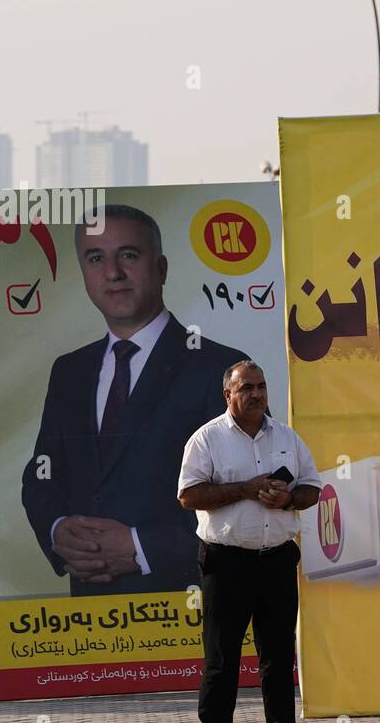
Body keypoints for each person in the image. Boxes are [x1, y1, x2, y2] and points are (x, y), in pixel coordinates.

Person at [21, 204, 249, 597]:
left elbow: (248, 494)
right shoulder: (69, 372)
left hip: (189, 608)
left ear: (160, 267)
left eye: (128, 254)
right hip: (90, 621)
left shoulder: (221, 368)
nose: (112, 272)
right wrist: (58, 529)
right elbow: (42, 475)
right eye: (96, 258)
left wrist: (142, 547)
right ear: (84, 274)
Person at [178, 361, 321, 723]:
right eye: (246, 388)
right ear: (229, 395)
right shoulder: (207, 439)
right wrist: (247, 489)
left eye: (261, 386)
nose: (256, 394)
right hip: (226, 562)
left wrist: (289, 499)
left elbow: (312, 487)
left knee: (277, 653)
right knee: (222, 656)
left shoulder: (287, 436)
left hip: (276, 560)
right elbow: (188, 496)